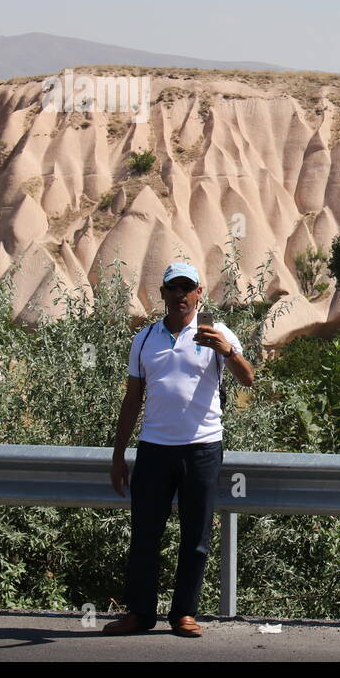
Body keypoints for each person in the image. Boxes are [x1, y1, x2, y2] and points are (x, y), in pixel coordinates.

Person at [103, 261, 254, 637]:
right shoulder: (145, 339)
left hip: (202, 449)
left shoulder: (217, 333)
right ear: (163, 294)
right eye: (174, 288)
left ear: (200, 293)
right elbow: (132, 400)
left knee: (196, 537)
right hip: (153, 449)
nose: (180, 295)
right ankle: (139, 613)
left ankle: (184, 614)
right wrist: (118, 455)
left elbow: (249, 379)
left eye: (188, 288)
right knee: (144, 535)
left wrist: (228, 351)